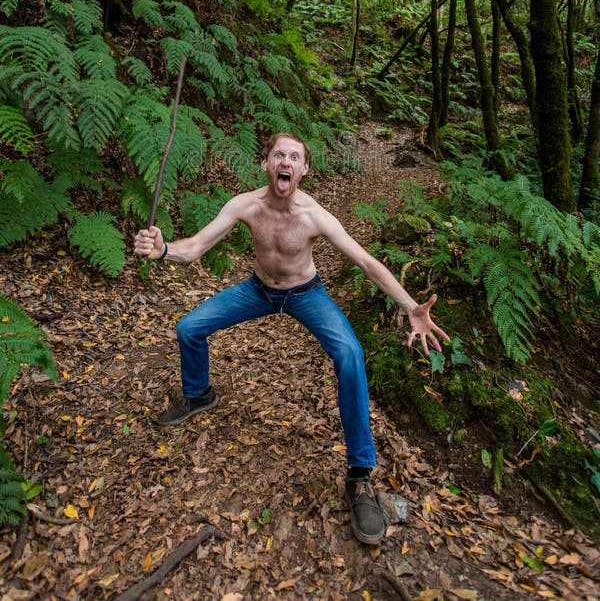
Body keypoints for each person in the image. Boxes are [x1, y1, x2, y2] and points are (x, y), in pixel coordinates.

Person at [134, 132, 448, 545]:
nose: (286, 161)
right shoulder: (245, 205)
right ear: (266, 163)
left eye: (294, 157)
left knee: (350, 355)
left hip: (307, 295)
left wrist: (409, 306)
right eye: (279, 154)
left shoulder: (314, 215)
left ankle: (359, 475)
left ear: (304, 169)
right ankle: (199, 394)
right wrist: (162, 251)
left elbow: (365, 261)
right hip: (258, 290)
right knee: (189, 328)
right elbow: (193, 248)